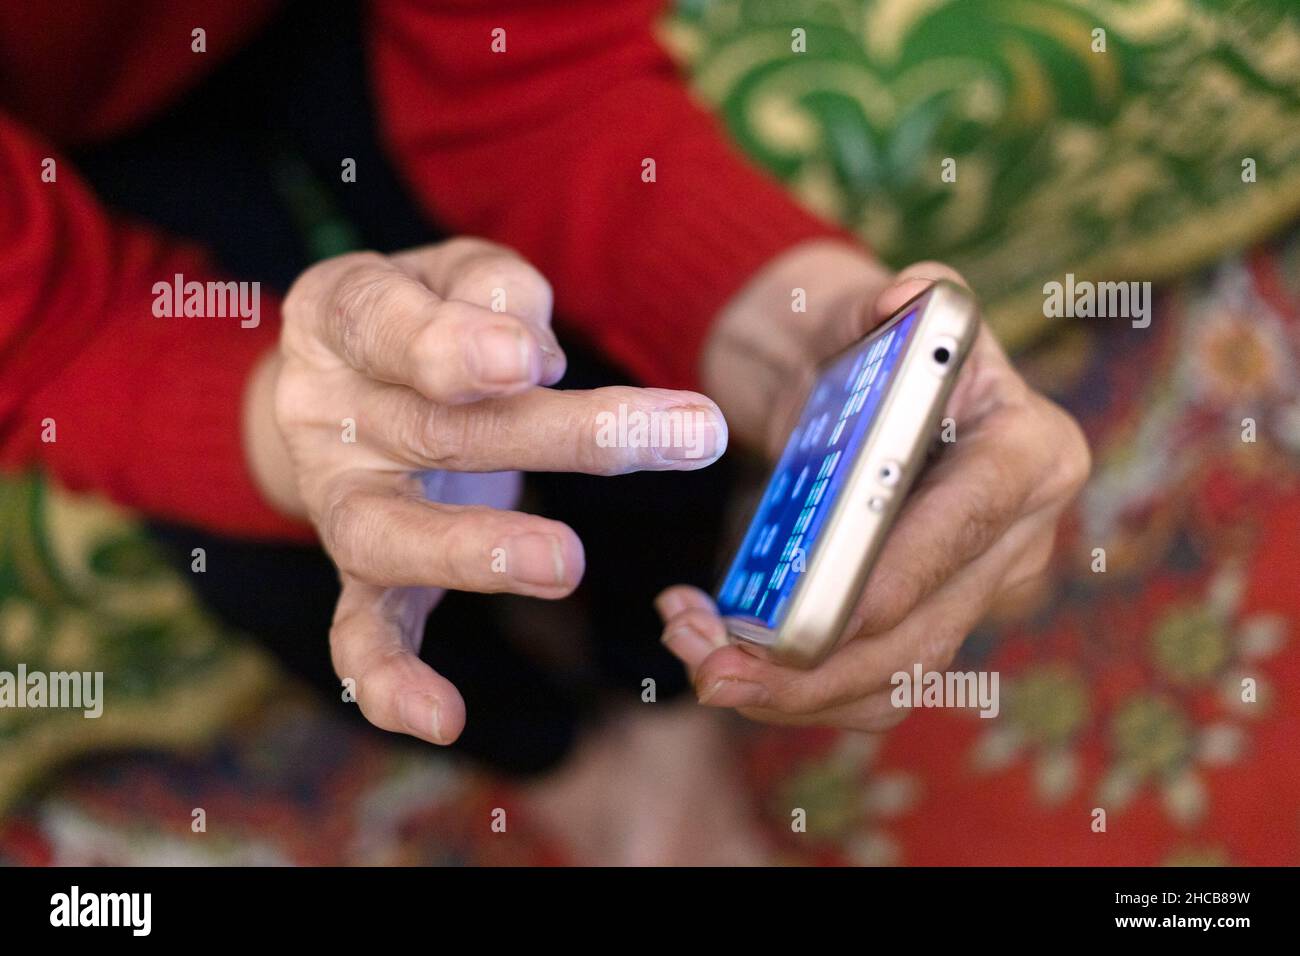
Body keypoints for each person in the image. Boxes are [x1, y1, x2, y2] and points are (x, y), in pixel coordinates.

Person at [0, 0, 1088, 861]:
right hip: (58, 129)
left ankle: (651, 692)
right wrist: (289, 443)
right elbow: (52, 336)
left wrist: (795, 334)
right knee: (292, 565)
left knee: (613, 399)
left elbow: (549, 89)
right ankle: (558, 762)